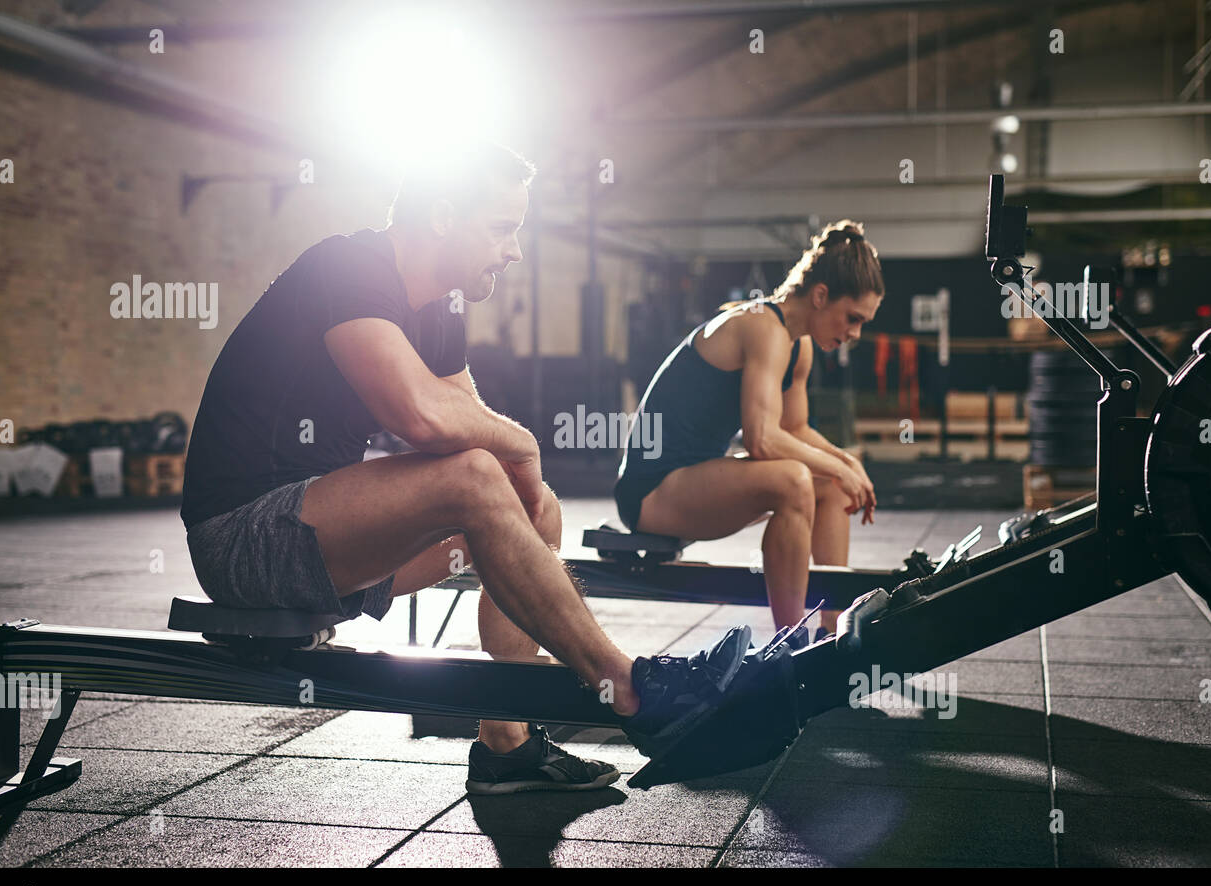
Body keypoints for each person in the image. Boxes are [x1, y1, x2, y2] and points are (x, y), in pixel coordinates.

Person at [180, 143, 750, 795]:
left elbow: (463, 418)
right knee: (480, 475)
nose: (513, 251)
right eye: (503, 227)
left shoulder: (437, 308)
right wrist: (523, 445)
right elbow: (422, 417)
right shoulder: (350, 267)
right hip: (243, 540)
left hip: (324, 544)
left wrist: (516, 464)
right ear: (444, 216)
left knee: (534, 504)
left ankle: (505, 741)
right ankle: (633, 691)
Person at [615, 221, 884, 634]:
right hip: (652, 493)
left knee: (830, 486)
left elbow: (793, 429)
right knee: (795, 479)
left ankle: (834, 635)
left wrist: (845, 463)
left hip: (698, 480)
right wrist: (839, 466)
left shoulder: (800, 344)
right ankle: (789, 646)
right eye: (852, 318)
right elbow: (761, 440)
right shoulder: (763, 326)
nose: (854, 333)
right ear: (820, 295)